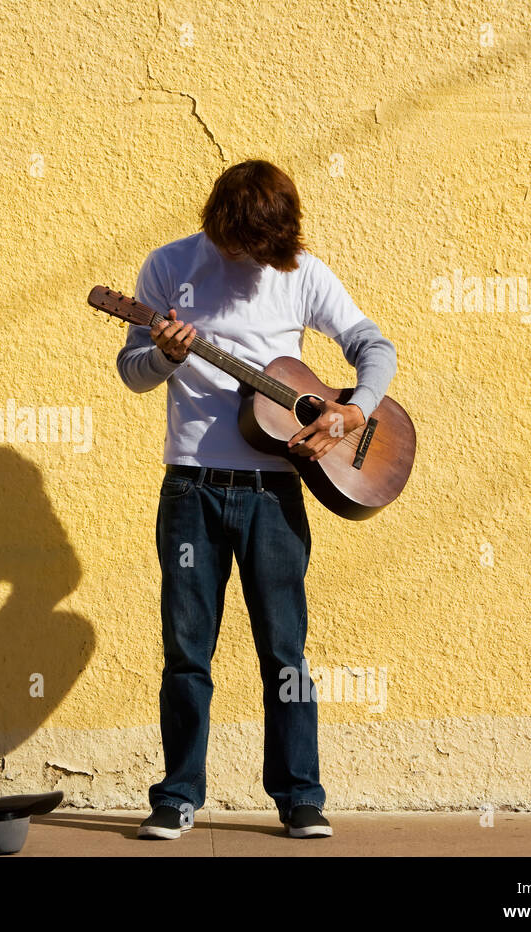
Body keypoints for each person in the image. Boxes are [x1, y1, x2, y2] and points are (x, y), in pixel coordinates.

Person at [117, 159, 397, 840]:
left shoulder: (300, 271)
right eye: (236, 243)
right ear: (218, 223)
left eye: (259, 246)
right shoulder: (168, 266)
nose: (246, 259)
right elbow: (132, 371)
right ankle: (177, 795)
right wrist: (168, 357)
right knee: (187, 649)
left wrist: (353, 412)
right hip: (192, 486)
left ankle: (300, 794)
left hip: (276, 491)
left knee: (285, 649)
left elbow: (373, 345)